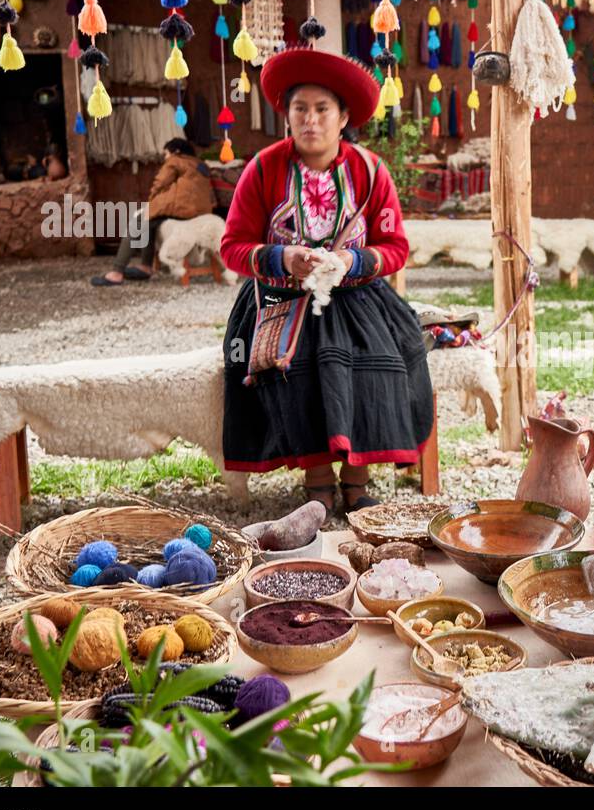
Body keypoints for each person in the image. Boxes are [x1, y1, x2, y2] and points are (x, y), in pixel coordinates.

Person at [218, 46, 434, 513]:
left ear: (342, 118)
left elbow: (395, 248)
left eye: (322, 110)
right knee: (299, 361)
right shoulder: (262, 170)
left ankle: (357, 479)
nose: (310, 120)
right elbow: (232, 246)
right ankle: (317, 482)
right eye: (300, 109)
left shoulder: (371, 171)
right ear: (287, 116)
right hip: (278, 296)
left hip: (358, 295)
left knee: (382, 355)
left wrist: (351, 263)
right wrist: (282, 256)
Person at [92, 138, 214, 286]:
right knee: (149, 221)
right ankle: (145, 266)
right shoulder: (200, 165)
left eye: (166, 154)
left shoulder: (175, 161)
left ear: (176, 151)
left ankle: (117, 272)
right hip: (200, 212)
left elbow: (160, 183)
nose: (165, 158)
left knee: (138, 221)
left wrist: (152, 201)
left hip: (182, 210)